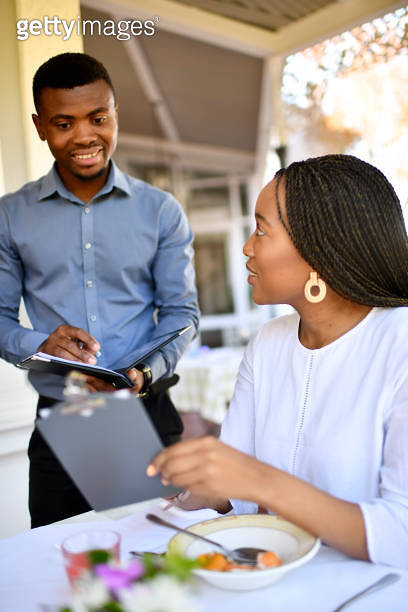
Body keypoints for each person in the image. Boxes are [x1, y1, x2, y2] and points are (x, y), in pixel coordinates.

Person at [148, 154, 408, 569]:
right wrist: (180, 480)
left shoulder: (399, 343)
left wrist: (259, 480)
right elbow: (235, 490)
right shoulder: (269, 342)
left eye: (261, 230)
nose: (247, 247)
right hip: (267, 581)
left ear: (318, 249)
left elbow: (401, 533)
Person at [0, 52, 199, 528]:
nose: (85, 136)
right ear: (40, 125)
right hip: (62, 422)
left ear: (114, 113)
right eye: (64, 123)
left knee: (165, 562)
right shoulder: (10, 216)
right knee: (60, 573)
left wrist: (143, 372)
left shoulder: (160, 211)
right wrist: (38, 344)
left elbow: (183, 314)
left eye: (98, 118)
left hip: (150, 414)